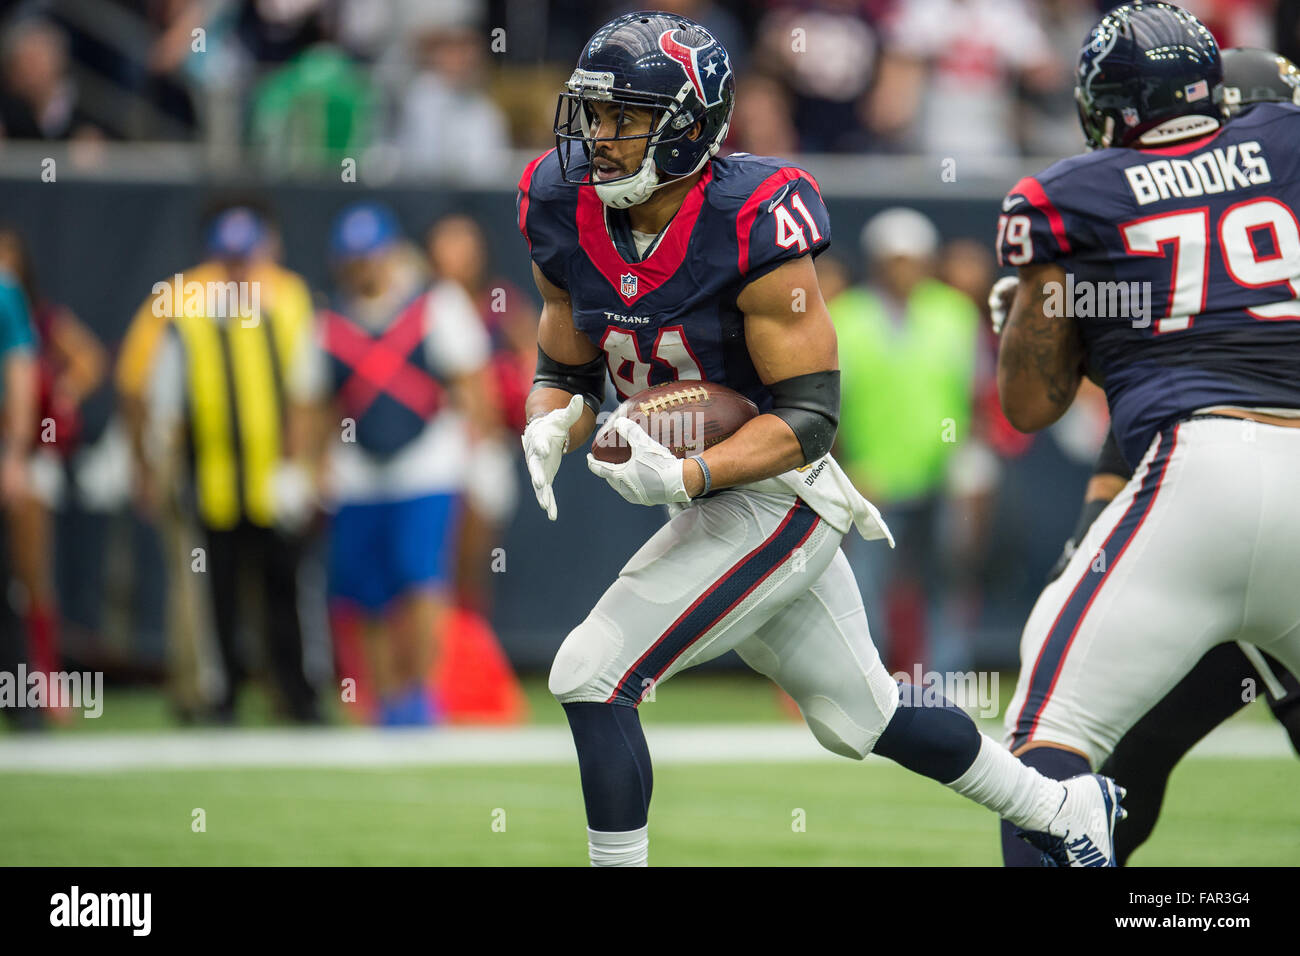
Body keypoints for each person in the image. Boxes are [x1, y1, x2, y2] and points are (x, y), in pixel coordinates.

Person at [518, 10, 1124, 868]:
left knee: (590, 671)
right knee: (863, 718)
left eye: (627, 118)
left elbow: (809, 418)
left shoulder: (752, 216)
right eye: (594, 112)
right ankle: (1064, 809)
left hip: (776, 497)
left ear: (688, 127)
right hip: (715, 498)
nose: (599, 138)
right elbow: (567, 366)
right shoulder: (556, 200)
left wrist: (691, 474)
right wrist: (551, 418)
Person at [991, 4, 1300, 866]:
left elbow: (1029, 404)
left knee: (1046, 749)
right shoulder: (1285, 139)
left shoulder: (1070, 194)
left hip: (1204, 474)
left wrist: (1031, 306)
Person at [287, 203, 495, 725]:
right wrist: (304, 469)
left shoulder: (435, 306)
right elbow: (309, 409)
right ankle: (382, 700)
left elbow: (473, 384)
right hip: (357, 474)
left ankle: (420, 694)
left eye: (372, 257)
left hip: (428, 464)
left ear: (392, 255)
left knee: (421, 576)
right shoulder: (325, 325)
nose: (365, 269)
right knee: (366, 589)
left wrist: (482, 448)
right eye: (354, 260)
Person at [145, 205, 320, 723]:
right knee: (214, 598)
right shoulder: (187, 317)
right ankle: (220, 700)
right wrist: (160, 468)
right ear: (215, 262)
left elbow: (305, 395)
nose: (240, 272)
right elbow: (167, 406)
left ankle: (298, 698)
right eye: (231, 261)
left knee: (284, 596)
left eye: (247, 260)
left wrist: (299, 467)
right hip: (213, 483)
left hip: (272, 481)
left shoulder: (288, 305)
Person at [829, 208, 980, 673]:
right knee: (864, 587)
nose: (904, 269)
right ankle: (868, 679)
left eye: (912, 259)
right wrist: (848, 466)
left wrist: (968, 460)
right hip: (870, 476)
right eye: (895, 260)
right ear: (878, 262)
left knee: (947, 582)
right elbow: (829, 404)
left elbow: (974, 392)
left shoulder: (954, 313)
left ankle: (948, 679)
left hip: (942, 471)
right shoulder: (846, 316)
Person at [0, 226, 107, 684]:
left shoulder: (37, 317)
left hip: (25, 456)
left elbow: (89, 360)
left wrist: (61, 394)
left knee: (32, 572)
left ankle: (41, 678)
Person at [0, 238, 38, 728]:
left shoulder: (6, 292)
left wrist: (14, 455)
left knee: (8, 582)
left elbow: (21, 369)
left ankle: (22, 704)